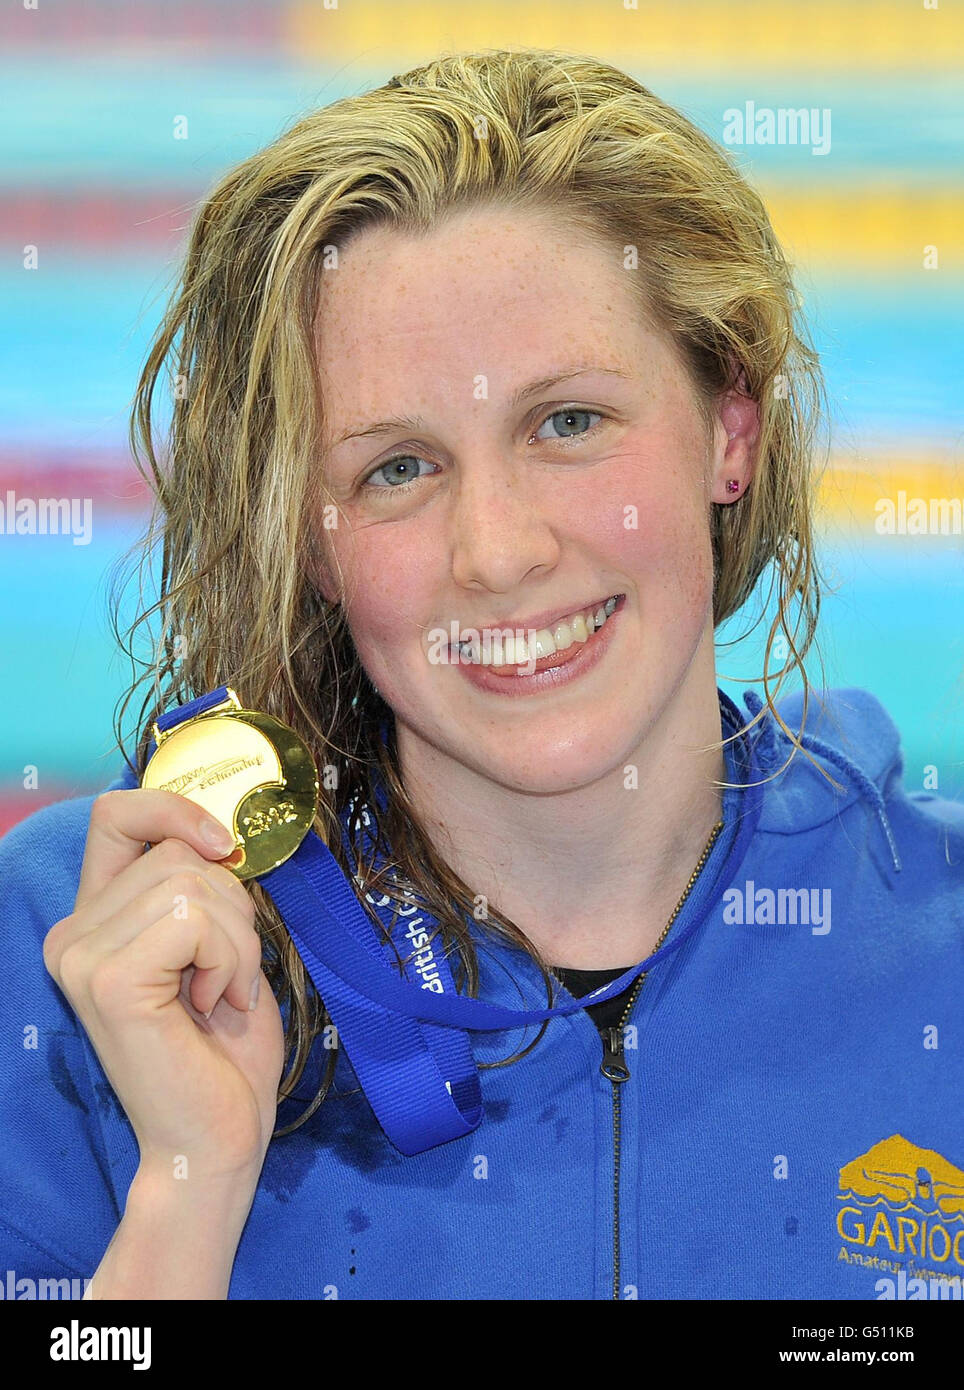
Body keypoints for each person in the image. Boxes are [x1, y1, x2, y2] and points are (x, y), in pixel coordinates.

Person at [1, 47, 961, 1303]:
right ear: (312, 539)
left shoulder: (930, 935)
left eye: (568, 422)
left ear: (730, 432)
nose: (498, 553)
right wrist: (186, 1187)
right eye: (397, 467)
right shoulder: (80, 947)